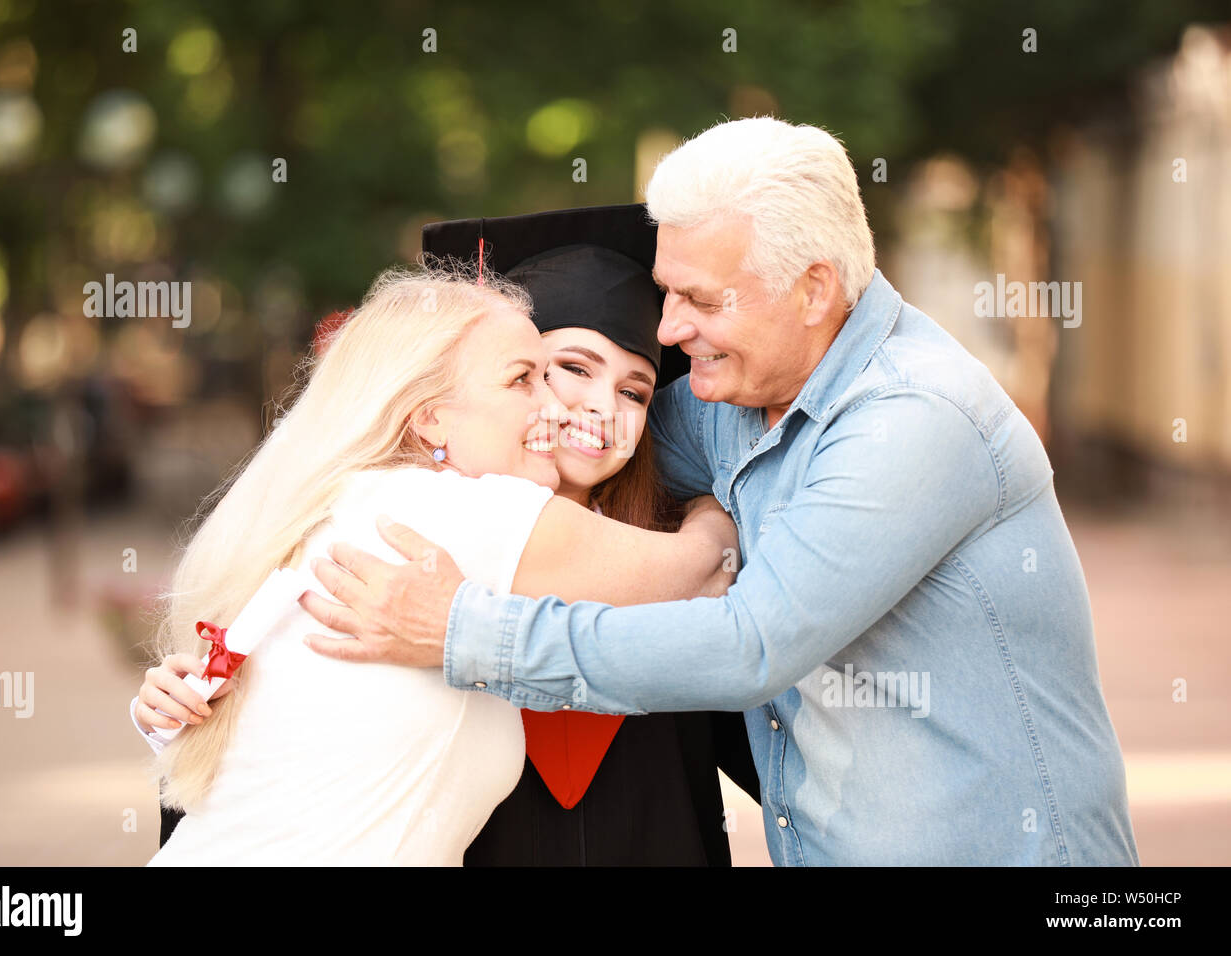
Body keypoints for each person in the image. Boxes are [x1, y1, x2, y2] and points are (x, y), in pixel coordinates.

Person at [297, 117, 1141, 866]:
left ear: (814, 289)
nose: (666, 332)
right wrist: (237, 636)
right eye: (667, 293)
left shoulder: (912, 417)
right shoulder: (729, 399)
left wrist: (460, 630)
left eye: (701, 300)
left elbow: (751, 645)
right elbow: (564, 441)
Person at [129, 265, 740, 865]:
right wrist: (718, 497)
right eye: (532, 378)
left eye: (634, 391)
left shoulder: (350, 503)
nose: (559, 407)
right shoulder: (440, 512)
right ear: (428, 415)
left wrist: (170, 707)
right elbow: (702, 574)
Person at [423, 204, 760, 866]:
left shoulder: (687, 557)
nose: (603, 408)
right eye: (573, 368)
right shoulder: (419, 545)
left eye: (636, 391)